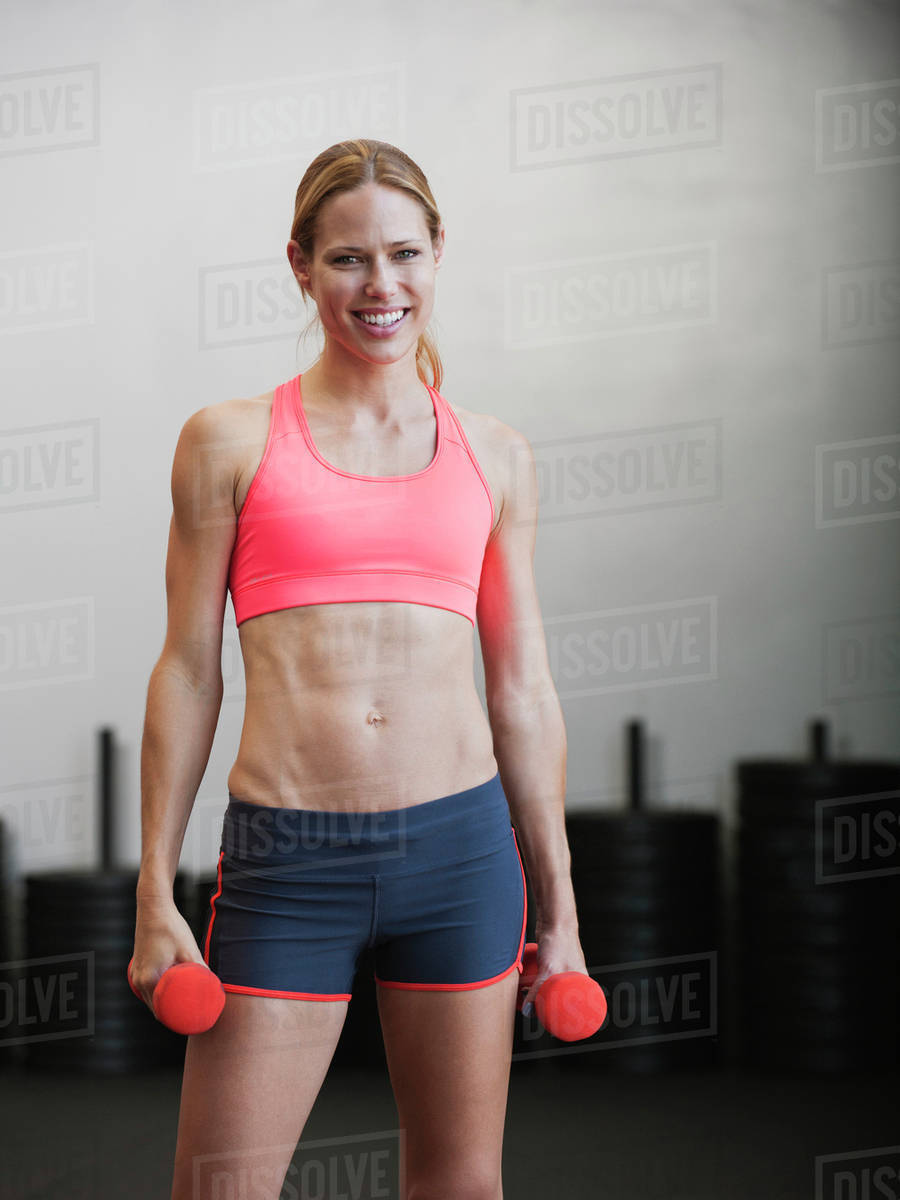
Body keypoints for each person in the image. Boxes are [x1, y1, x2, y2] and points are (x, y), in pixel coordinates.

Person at [131, 137, 588, 1200]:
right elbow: (188, 673)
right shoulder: (228, 443)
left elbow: (522, 693)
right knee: (220, 1189)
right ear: (299, 264)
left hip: (461, 852)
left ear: (437, 254)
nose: (380, 287)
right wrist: (154, 890)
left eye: (402, 255)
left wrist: (560, 916)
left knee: (461, 1187)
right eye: (346, 260)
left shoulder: (497, 454)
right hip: (291, 856)